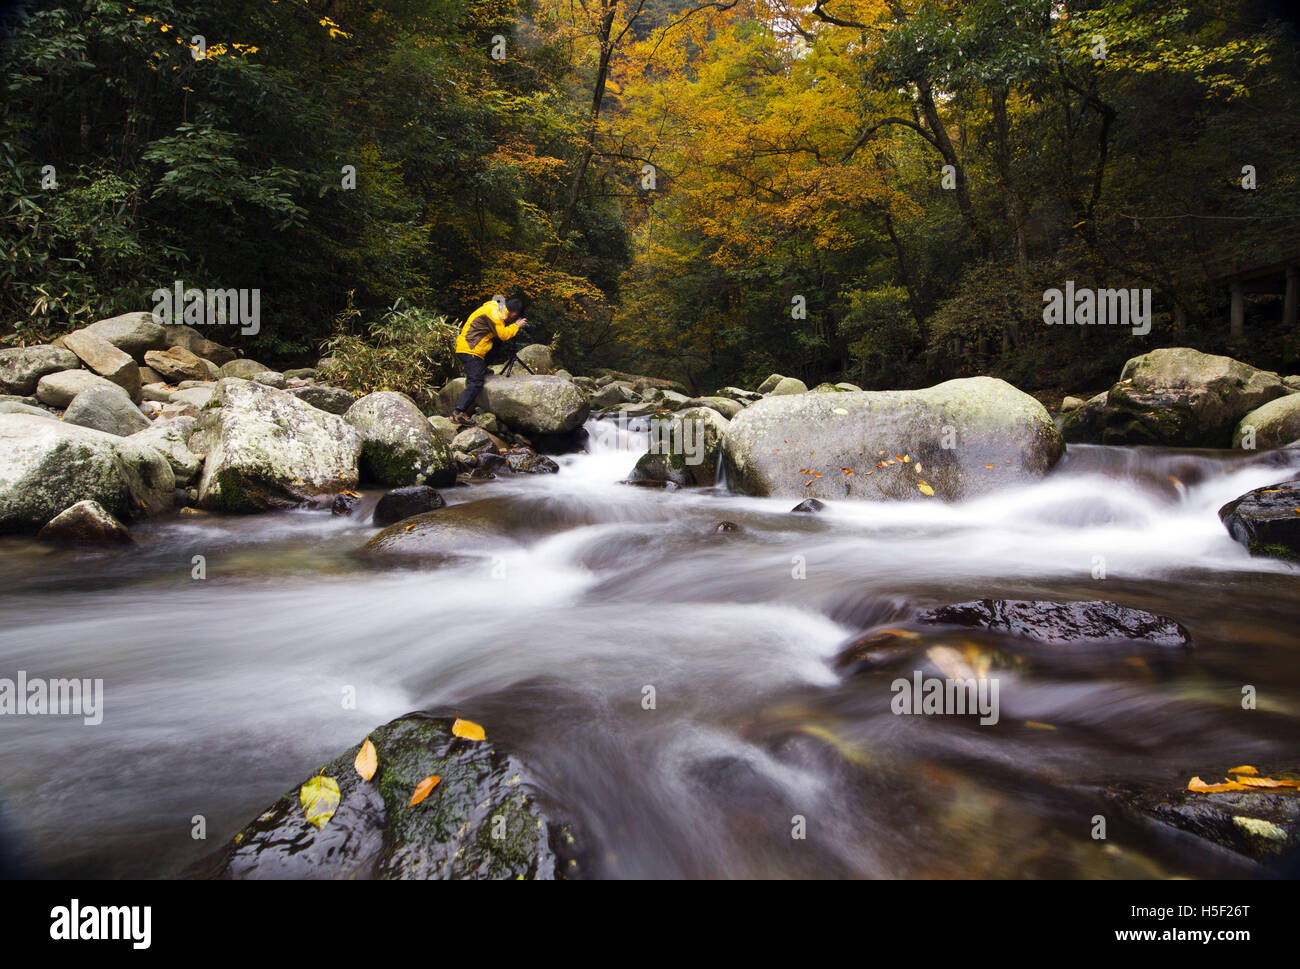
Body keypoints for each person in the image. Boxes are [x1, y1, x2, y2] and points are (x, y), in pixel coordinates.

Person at [451, 296, 528, 426]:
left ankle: (482, 367)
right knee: (476, 382)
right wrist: (516, 325)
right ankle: (457, 413)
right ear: (514, 313)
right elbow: (504, 335)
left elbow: (499, 333)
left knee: (496, 343)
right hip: (470, 349)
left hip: (472, 348)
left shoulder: (496, 308)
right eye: (515, 317)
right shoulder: (495, 314)